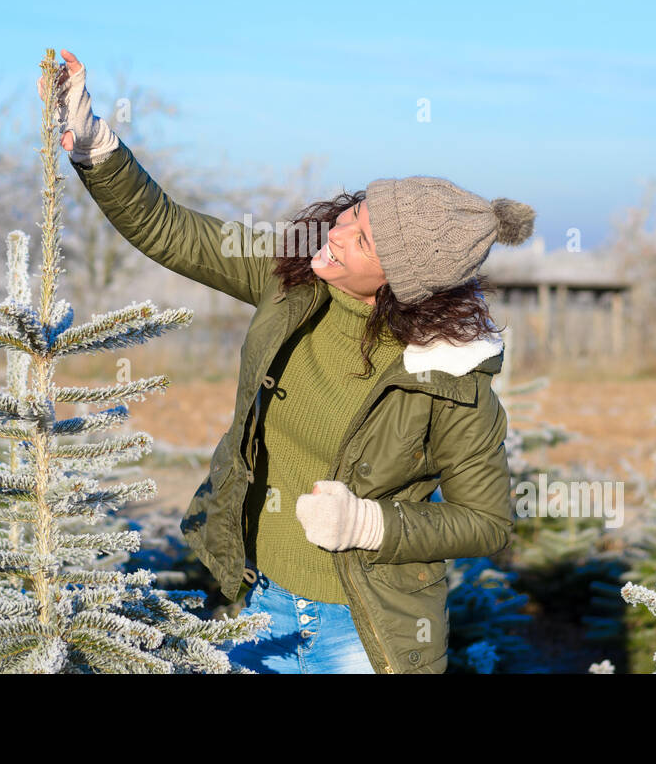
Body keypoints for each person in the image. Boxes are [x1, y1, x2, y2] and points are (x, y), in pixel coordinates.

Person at [39, 49, 534, 673]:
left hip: (366, 627)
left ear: (406, 281)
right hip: (261, 602)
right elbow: (173, 230)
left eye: (362, 242)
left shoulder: (450, 376)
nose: (336, 236)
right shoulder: (293, 280)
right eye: (352, 215)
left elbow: (487, 522)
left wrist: (369, 524)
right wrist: (95, 145)